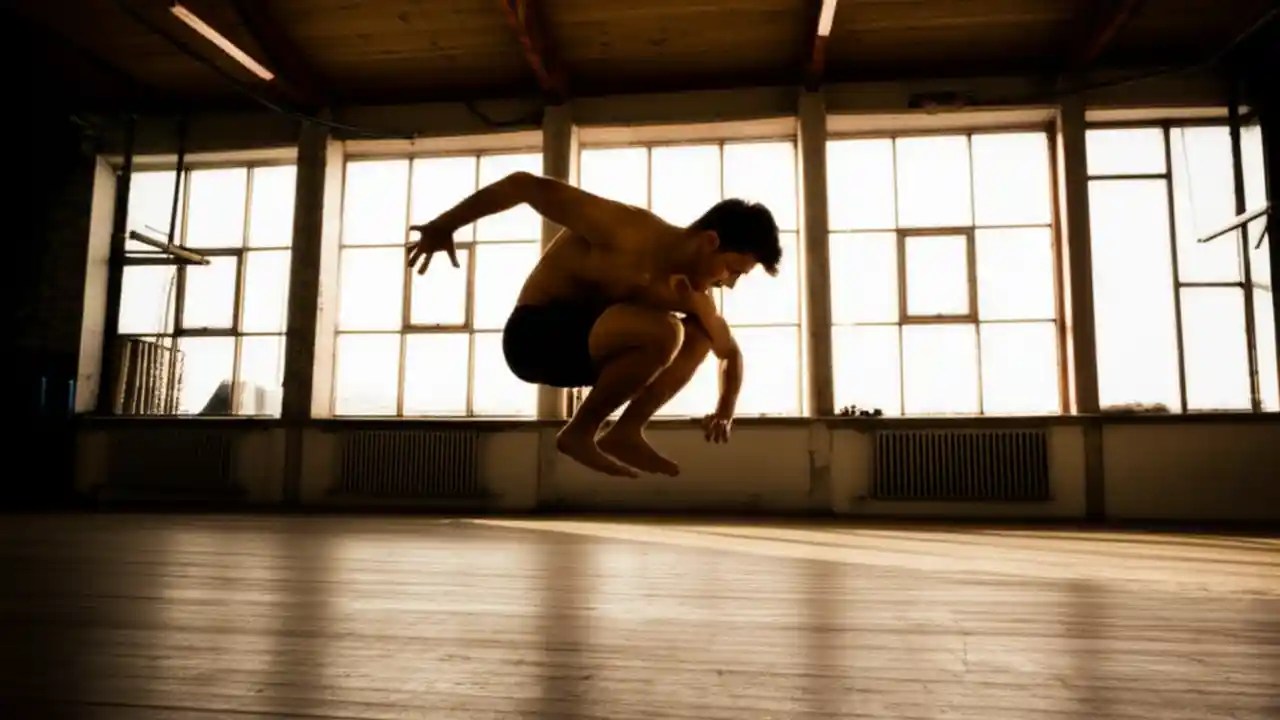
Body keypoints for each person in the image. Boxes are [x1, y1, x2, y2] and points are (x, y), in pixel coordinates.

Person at [407, 170, 782, 478]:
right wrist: (444, 225)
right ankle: (581, 431)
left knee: (698, 332)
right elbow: (524, 185)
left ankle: (626, 430)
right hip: (533, 337)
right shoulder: (627, 230)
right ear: (710, 241)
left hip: (589, 351)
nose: (729, 283)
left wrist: (725, 408)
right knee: (668, 330)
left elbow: (728, 352)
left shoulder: (693, 293)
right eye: (732, 270)